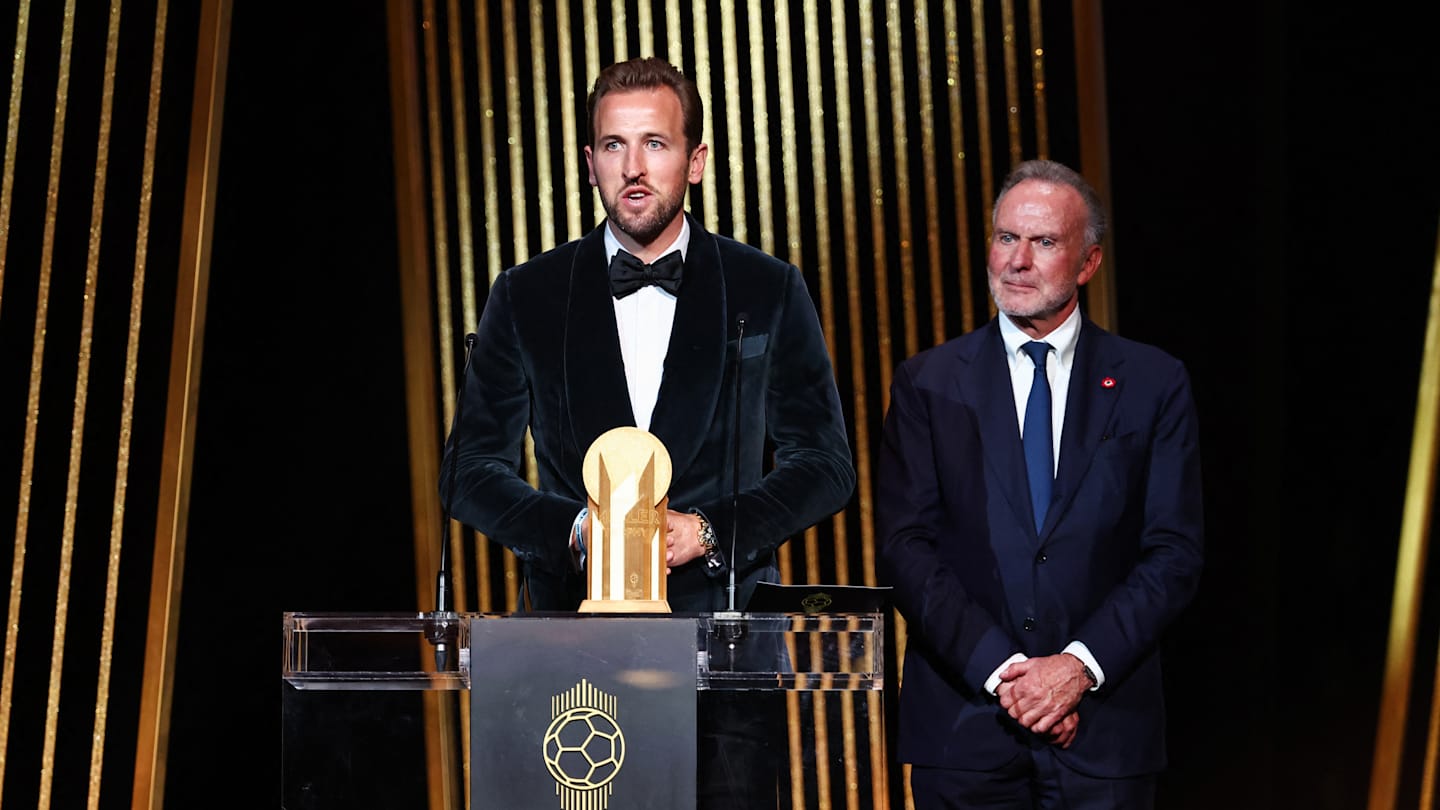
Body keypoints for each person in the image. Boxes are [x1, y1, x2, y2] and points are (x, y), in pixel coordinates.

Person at [442, 57, 854, 809]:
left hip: (722, 656)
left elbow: (826, 464)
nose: (634, 168)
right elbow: (469, 470)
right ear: (590, 161)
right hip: (568, 658)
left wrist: (708, 529)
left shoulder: (766, 288)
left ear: (695, 161)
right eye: (613, 145)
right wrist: (573, 530)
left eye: (656, 145)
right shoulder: (527, 293)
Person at [876, 159, 1203, 808]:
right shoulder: (928, 383)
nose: (1017, 260)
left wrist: (1077, 668)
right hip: (964, 733)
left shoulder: (1153, 383)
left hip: (1106, 737)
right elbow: (906, 546)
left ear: (1088, 263)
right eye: (1005, 238)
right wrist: (1008, 674)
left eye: (1044, 242)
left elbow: (1174, 554)